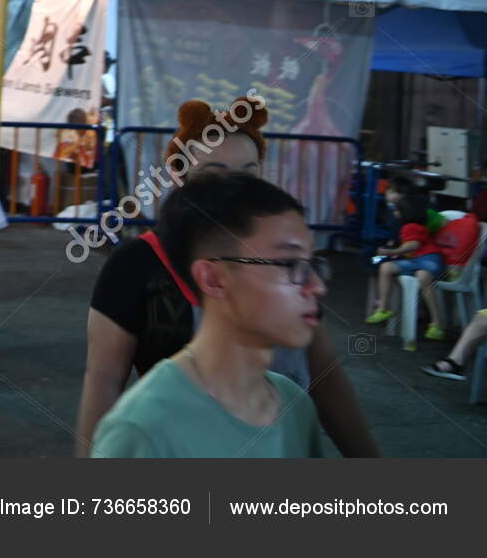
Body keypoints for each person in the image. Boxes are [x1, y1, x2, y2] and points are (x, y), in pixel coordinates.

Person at [75, 97, 377, 457]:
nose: (234, 192)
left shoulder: (281, 260)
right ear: (179, 174)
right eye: (214, 175)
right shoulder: (136, 265)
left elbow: (325, 375)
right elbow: (104, 379)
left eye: (246, 175)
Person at [91, 172, 329, 457]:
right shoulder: (145, 428)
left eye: (312, 262)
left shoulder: (295, 407)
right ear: (214, 279)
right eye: (289, 263)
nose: (317, 286)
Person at [365, 181, 447, 338]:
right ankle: (435, 323)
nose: (395, 212)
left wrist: (391, 251)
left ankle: (383, 306)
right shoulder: (412, 225)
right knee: (387, 267)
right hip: (422, 260)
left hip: (427, 259)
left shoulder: (409, 227)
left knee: (384, 265)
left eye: (397, 210)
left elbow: (413, 245)